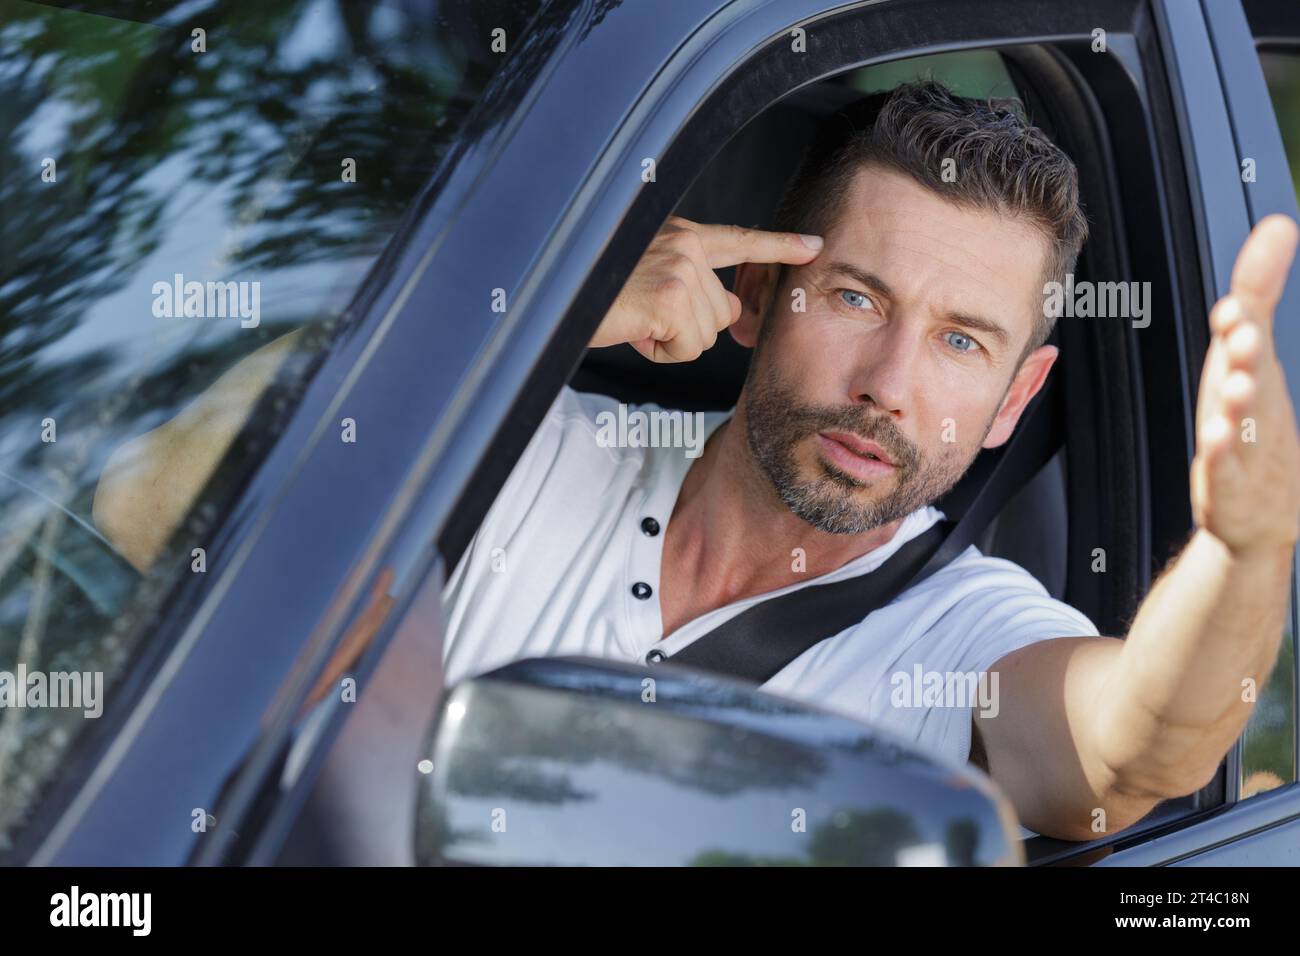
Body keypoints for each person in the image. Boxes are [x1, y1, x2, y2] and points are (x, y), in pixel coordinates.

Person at [441, 81, 1300, 841]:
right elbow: (349, 426)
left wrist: (1245, 551)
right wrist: (547, 314)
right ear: (758, 296)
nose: (887, 386)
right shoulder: (518, 454)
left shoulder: (965, 636)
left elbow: (1138, 742)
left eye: (960, 341)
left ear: (1014, 398)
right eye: (856, 298)